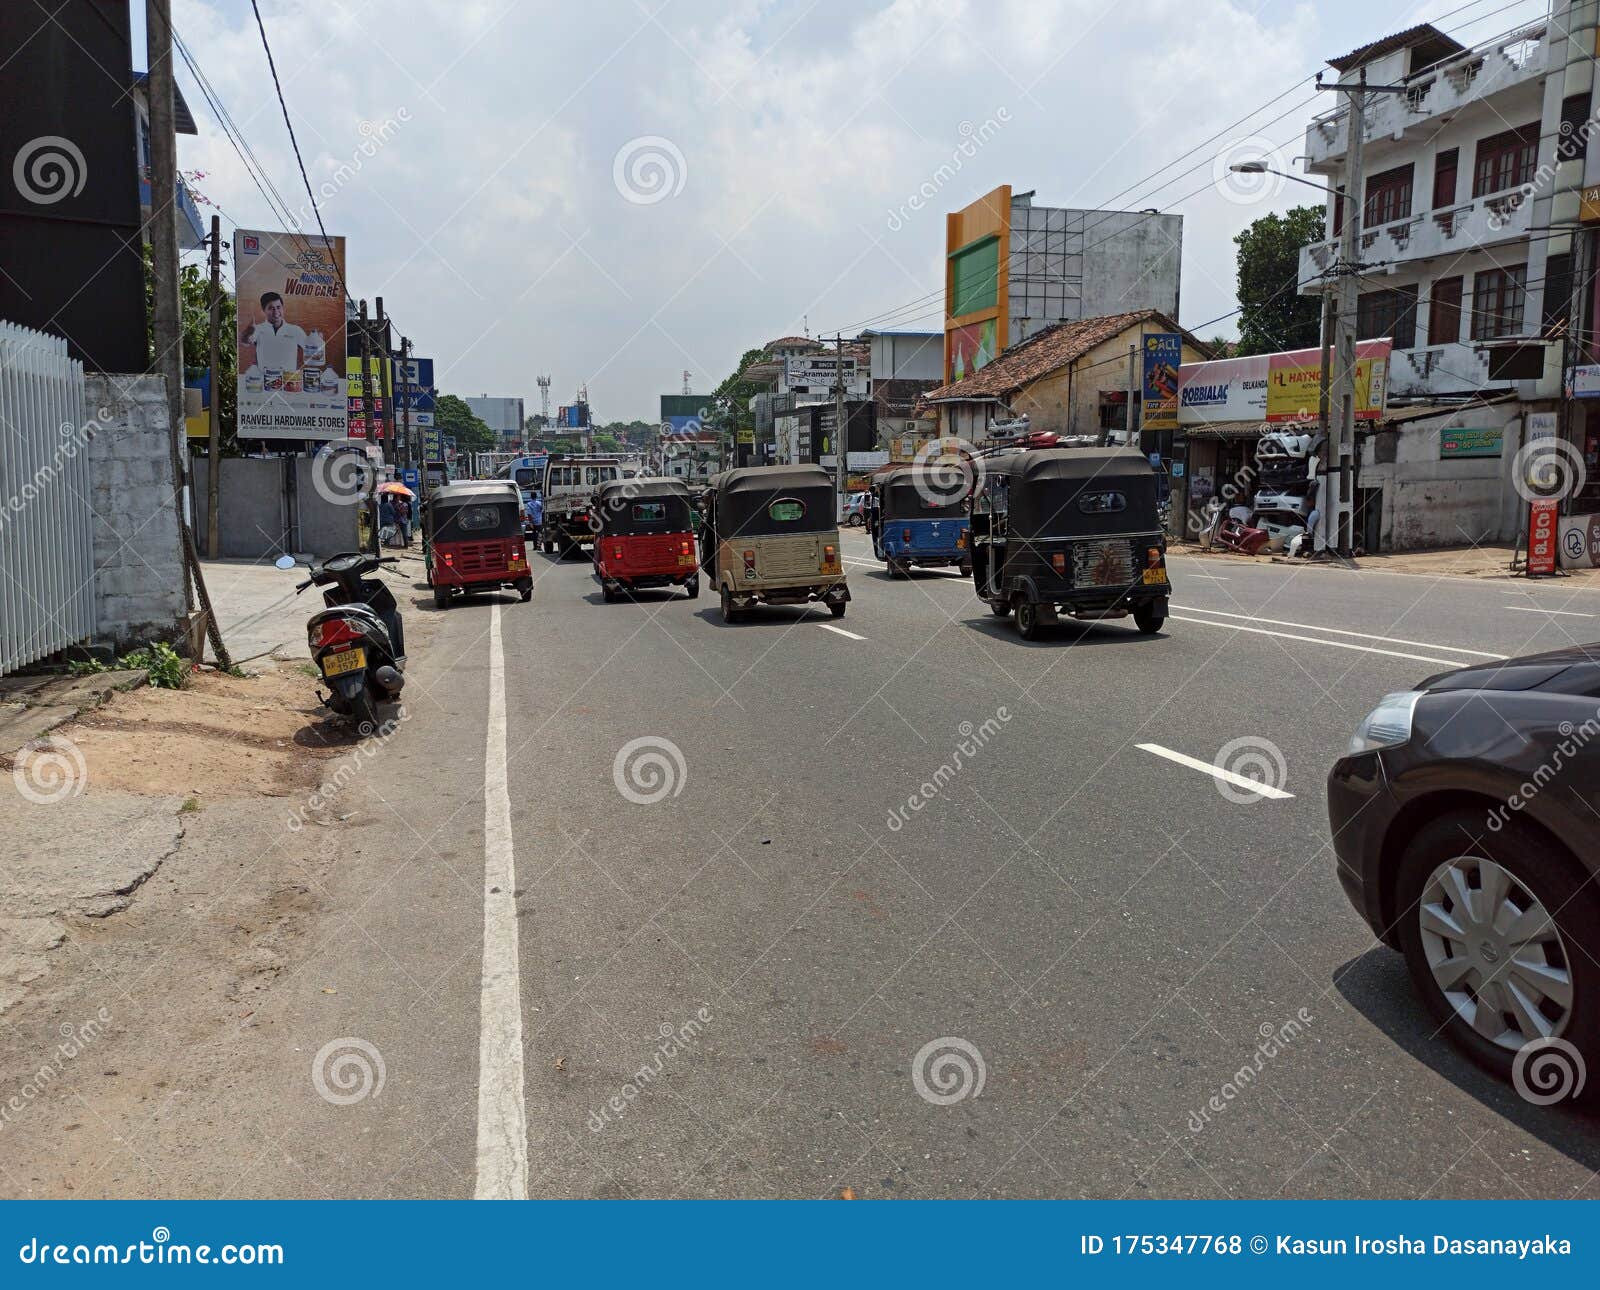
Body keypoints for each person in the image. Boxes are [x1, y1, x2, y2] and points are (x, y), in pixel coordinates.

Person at [248, 291, 306, 379]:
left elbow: (312, 348)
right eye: (271, 308)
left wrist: (317, 340)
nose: (276, 312)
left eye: (278, 307)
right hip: (265, 383)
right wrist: (247, 335)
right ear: (264, 310)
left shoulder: (295, 330)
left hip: (288, 383)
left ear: (283, 308)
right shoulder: (258, 329)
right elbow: (247, 340)